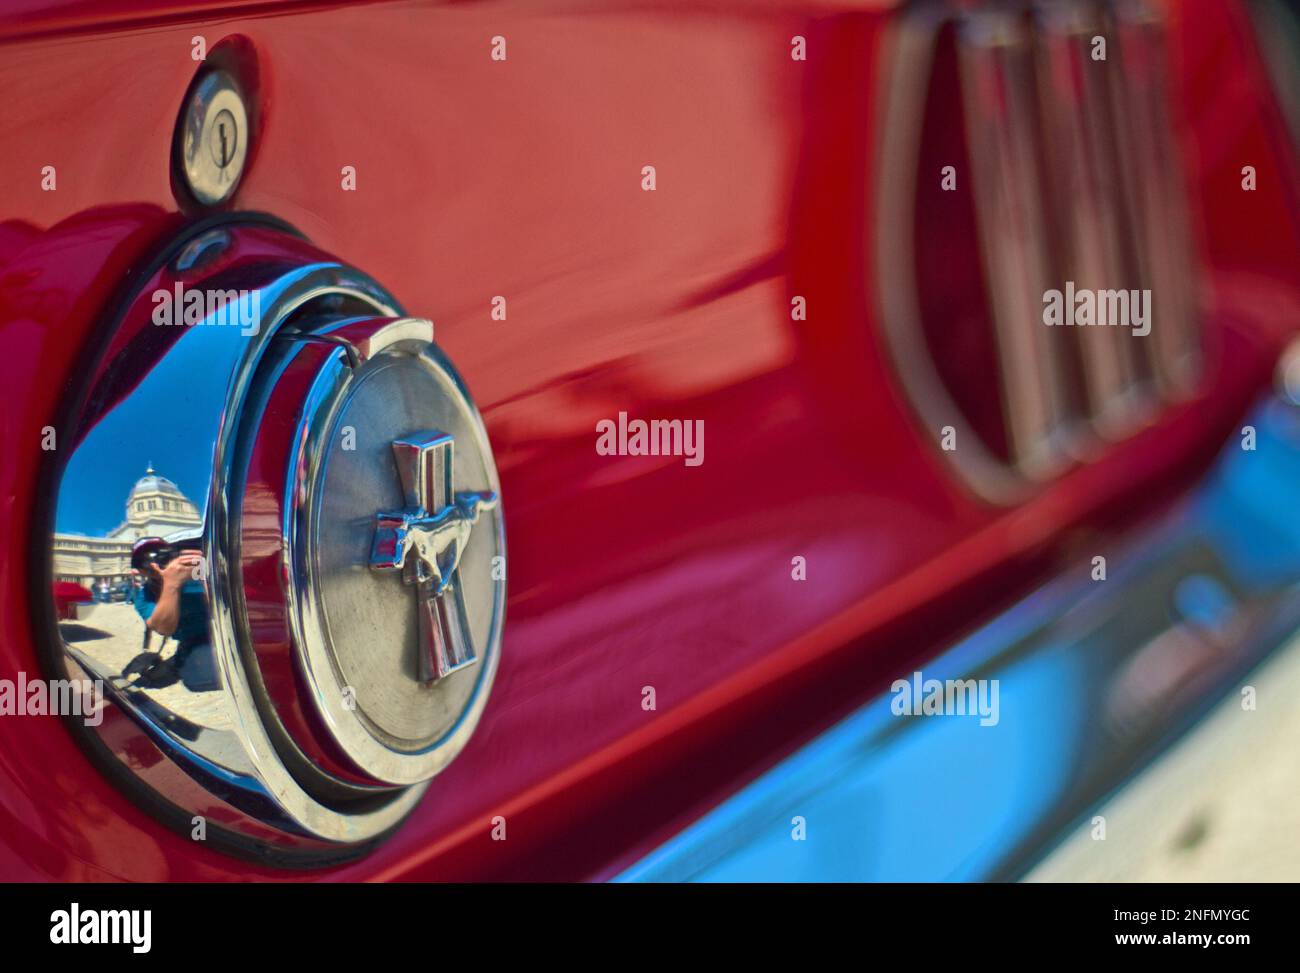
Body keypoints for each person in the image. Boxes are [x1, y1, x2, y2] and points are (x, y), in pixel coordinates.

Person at [130, 538, 217, 692]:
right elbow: (164, 628)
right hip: (193, 642)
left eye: (162, 554)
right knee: (197, 681)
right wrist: (172, 583)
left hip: (220, 633)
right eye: (144, 560)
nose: (154, 562)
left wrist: (208, 571)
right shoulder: (144, 595)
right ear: (139, 569)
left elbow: (224, 605)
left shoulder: (194, 574)